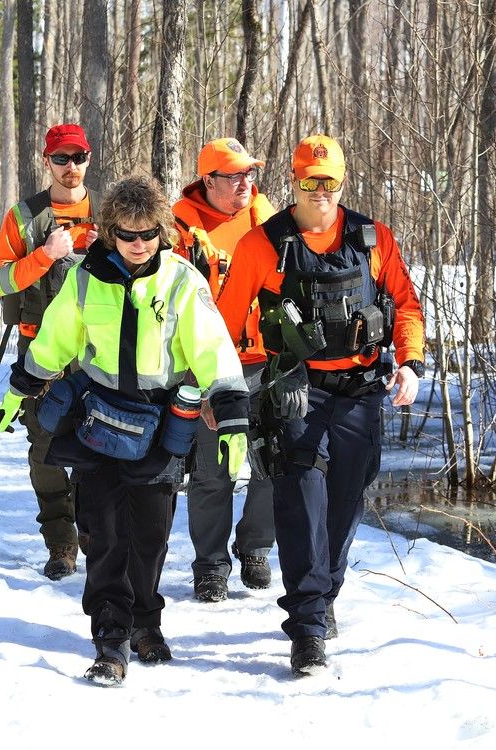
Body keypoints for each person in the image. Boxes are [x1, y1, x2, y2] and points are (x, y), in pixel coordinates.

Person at [0, 175, 250, 686]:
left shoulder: (182, 281)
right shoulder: (85, 278)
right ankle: (110, 637)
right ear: (110, 232)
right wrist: (21, 387)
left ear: (163, 232)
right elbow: (56, 339)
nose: (138, 245)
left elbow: (213, 349)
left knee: (150, 536)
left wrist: (232, 415)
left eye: (148, 234)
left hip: (160, 428)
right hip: (98, 420)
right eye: (128, 234)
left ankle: (146, 622)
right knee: (106, 533)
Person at [216, 135, 425, 677]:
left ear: (343, 181)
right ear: (295, 181)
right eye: (310, 181)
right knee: (300, 497)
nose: (321, 191)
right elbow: (222, 322)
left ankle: (325, 592)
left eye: (330, 181)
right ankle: (307, 627)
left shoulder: (372, 238)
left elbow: (405, 303)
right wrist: (222, 387)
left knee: (346, 497)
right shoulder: (265, 245)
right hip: (295, 389)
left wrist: (410, 363)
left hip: (360, 388)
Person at [0, 123, 101, 581]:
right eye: (61, 158)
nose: (70, 167)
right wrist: (46, 255)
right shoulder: (24, 217)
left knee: (102, 445)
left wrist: (102, 251)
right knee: (45, 449)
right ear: (46, 161)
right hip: (40, 347)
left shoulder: (107, 212)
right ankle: (61, 543)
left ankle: (95, 536)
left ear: (88, 160)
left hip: (99, 351)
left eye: (78, 158)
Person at [172, 138, 277, 602]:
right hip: (209, 366)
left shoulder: (271, 222)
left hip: (267, 362)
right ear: (208, 180)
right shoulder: (178, 230)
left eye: (249, 174)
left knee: (275, 464)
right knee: (214, 470)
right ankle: (210, 564)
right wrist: (194, 375)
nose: (245, 183)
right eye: (233, 175)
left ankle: (256, 546)